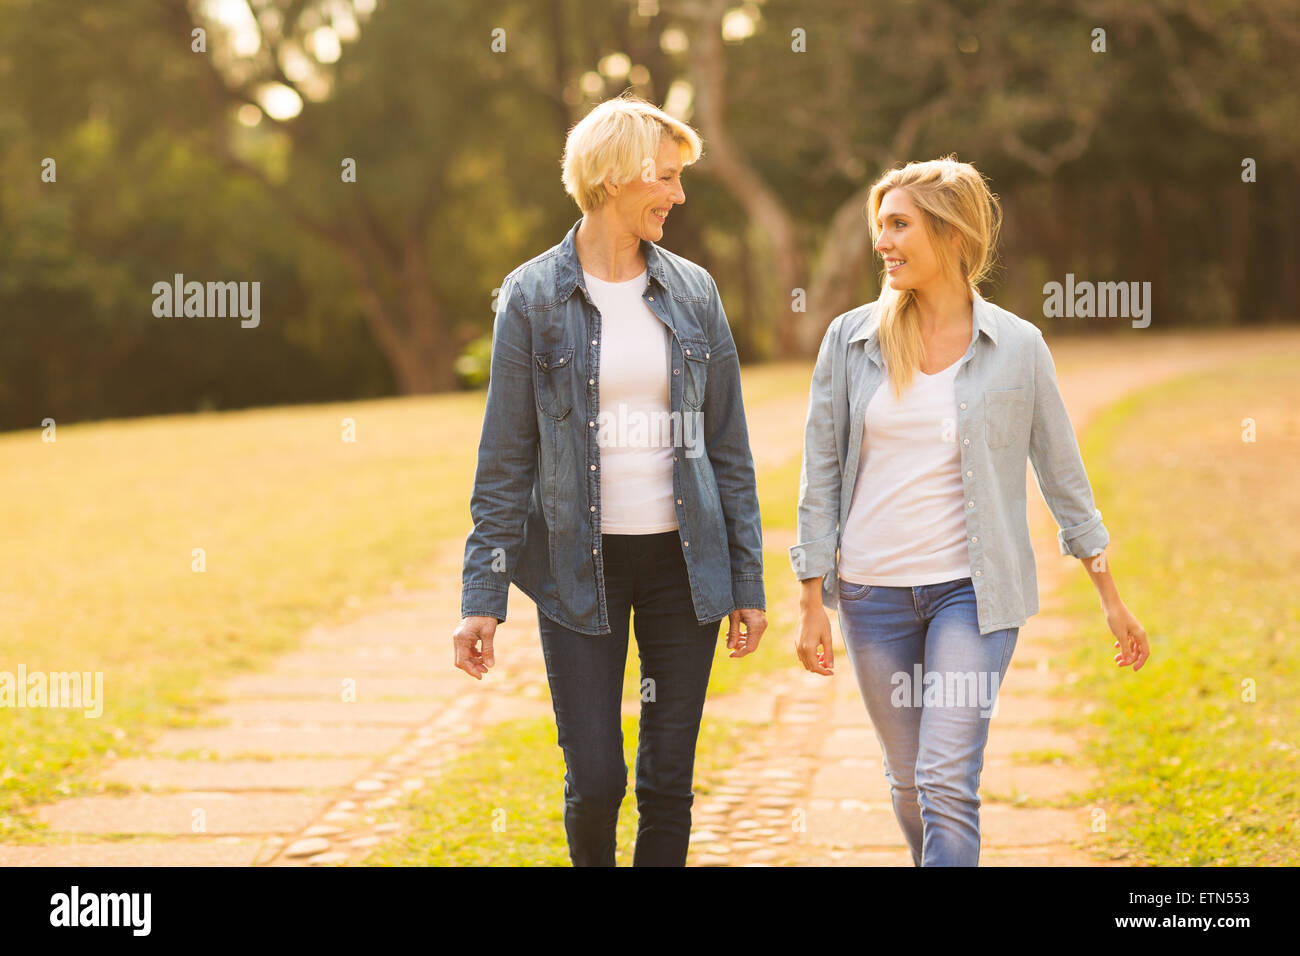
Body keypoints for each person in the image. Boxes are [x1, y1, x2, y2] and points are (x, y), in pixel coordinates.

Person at [790, 156, 1149, 866]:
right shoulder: (851, 340)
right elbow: (820, 473)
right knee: (909, 785)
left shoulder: (1018, 348)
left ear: (952, 234)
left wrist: (1110, 598)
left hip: (973, 597)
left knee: (946, 779)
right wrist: (810, 598)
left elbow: (1064, 479)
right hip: (872, 594)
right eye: (880, 225)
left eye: (900, 225)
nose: (882, 242)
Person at [452, 94, 768, 867]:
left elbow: (728, 446)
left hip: (682, 567)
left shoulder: (694, 292)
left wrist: (747, 579)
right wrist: (480, 598)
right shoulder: (530, 297)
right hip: (574, 568)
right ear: (615, 177)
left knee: (669, 782)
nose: (679, 195)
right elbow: (504, 457)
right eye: (665, 178)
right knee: (595, 779)